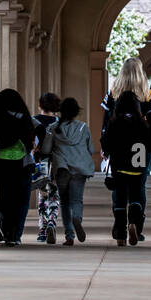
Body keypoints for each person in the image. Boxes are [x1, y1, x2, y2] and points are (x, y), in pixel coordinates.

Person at [101, 58, 151, 237]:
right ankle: (137, 224)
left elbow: (106, 122)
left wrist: (104, 146)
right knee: (139, 188)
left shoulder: (113, 93)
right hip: (140, 149)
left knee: (119, 189)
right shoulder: (148, 94)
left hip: (118, 149)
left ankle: (119, 226)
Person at [0, 88, 36, 246]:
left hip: (0, 159)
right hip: (20, 159)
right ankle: (14, 235)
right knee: (20, 198)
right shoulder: (23, 117)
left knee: (4, 193)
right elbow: (29, 136)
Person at [42, 97, 96, 245]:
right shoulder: (83, 128)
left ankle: (69, 235)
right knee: (76, 200)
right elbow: (91, 149)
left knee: (65, 202)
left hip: (62, 168)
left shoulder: (53, 128)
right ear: (76, 112)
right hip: (79, 169)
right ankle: (77, 218)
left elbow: (45, 149)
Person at [100, 91, 151, 246]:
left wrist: (106, 151)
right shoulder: (142, 123)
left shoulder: (115, 122)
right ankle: (134, 223)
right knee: (136, 196)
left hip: (120, 165)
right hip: (138, 166)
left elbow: (106, 142)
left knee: (120, 199)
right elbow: (150, 143)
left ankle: (121, 233)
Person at [33, 92, 61, 244]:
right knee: (54, 195)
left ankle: (42, 230)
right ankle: (52, 222)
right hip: (55, 163)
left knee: (42, 195)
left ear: (40, 105)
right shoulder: (59, 123)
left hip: (39, 162)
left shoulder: (33, 121)